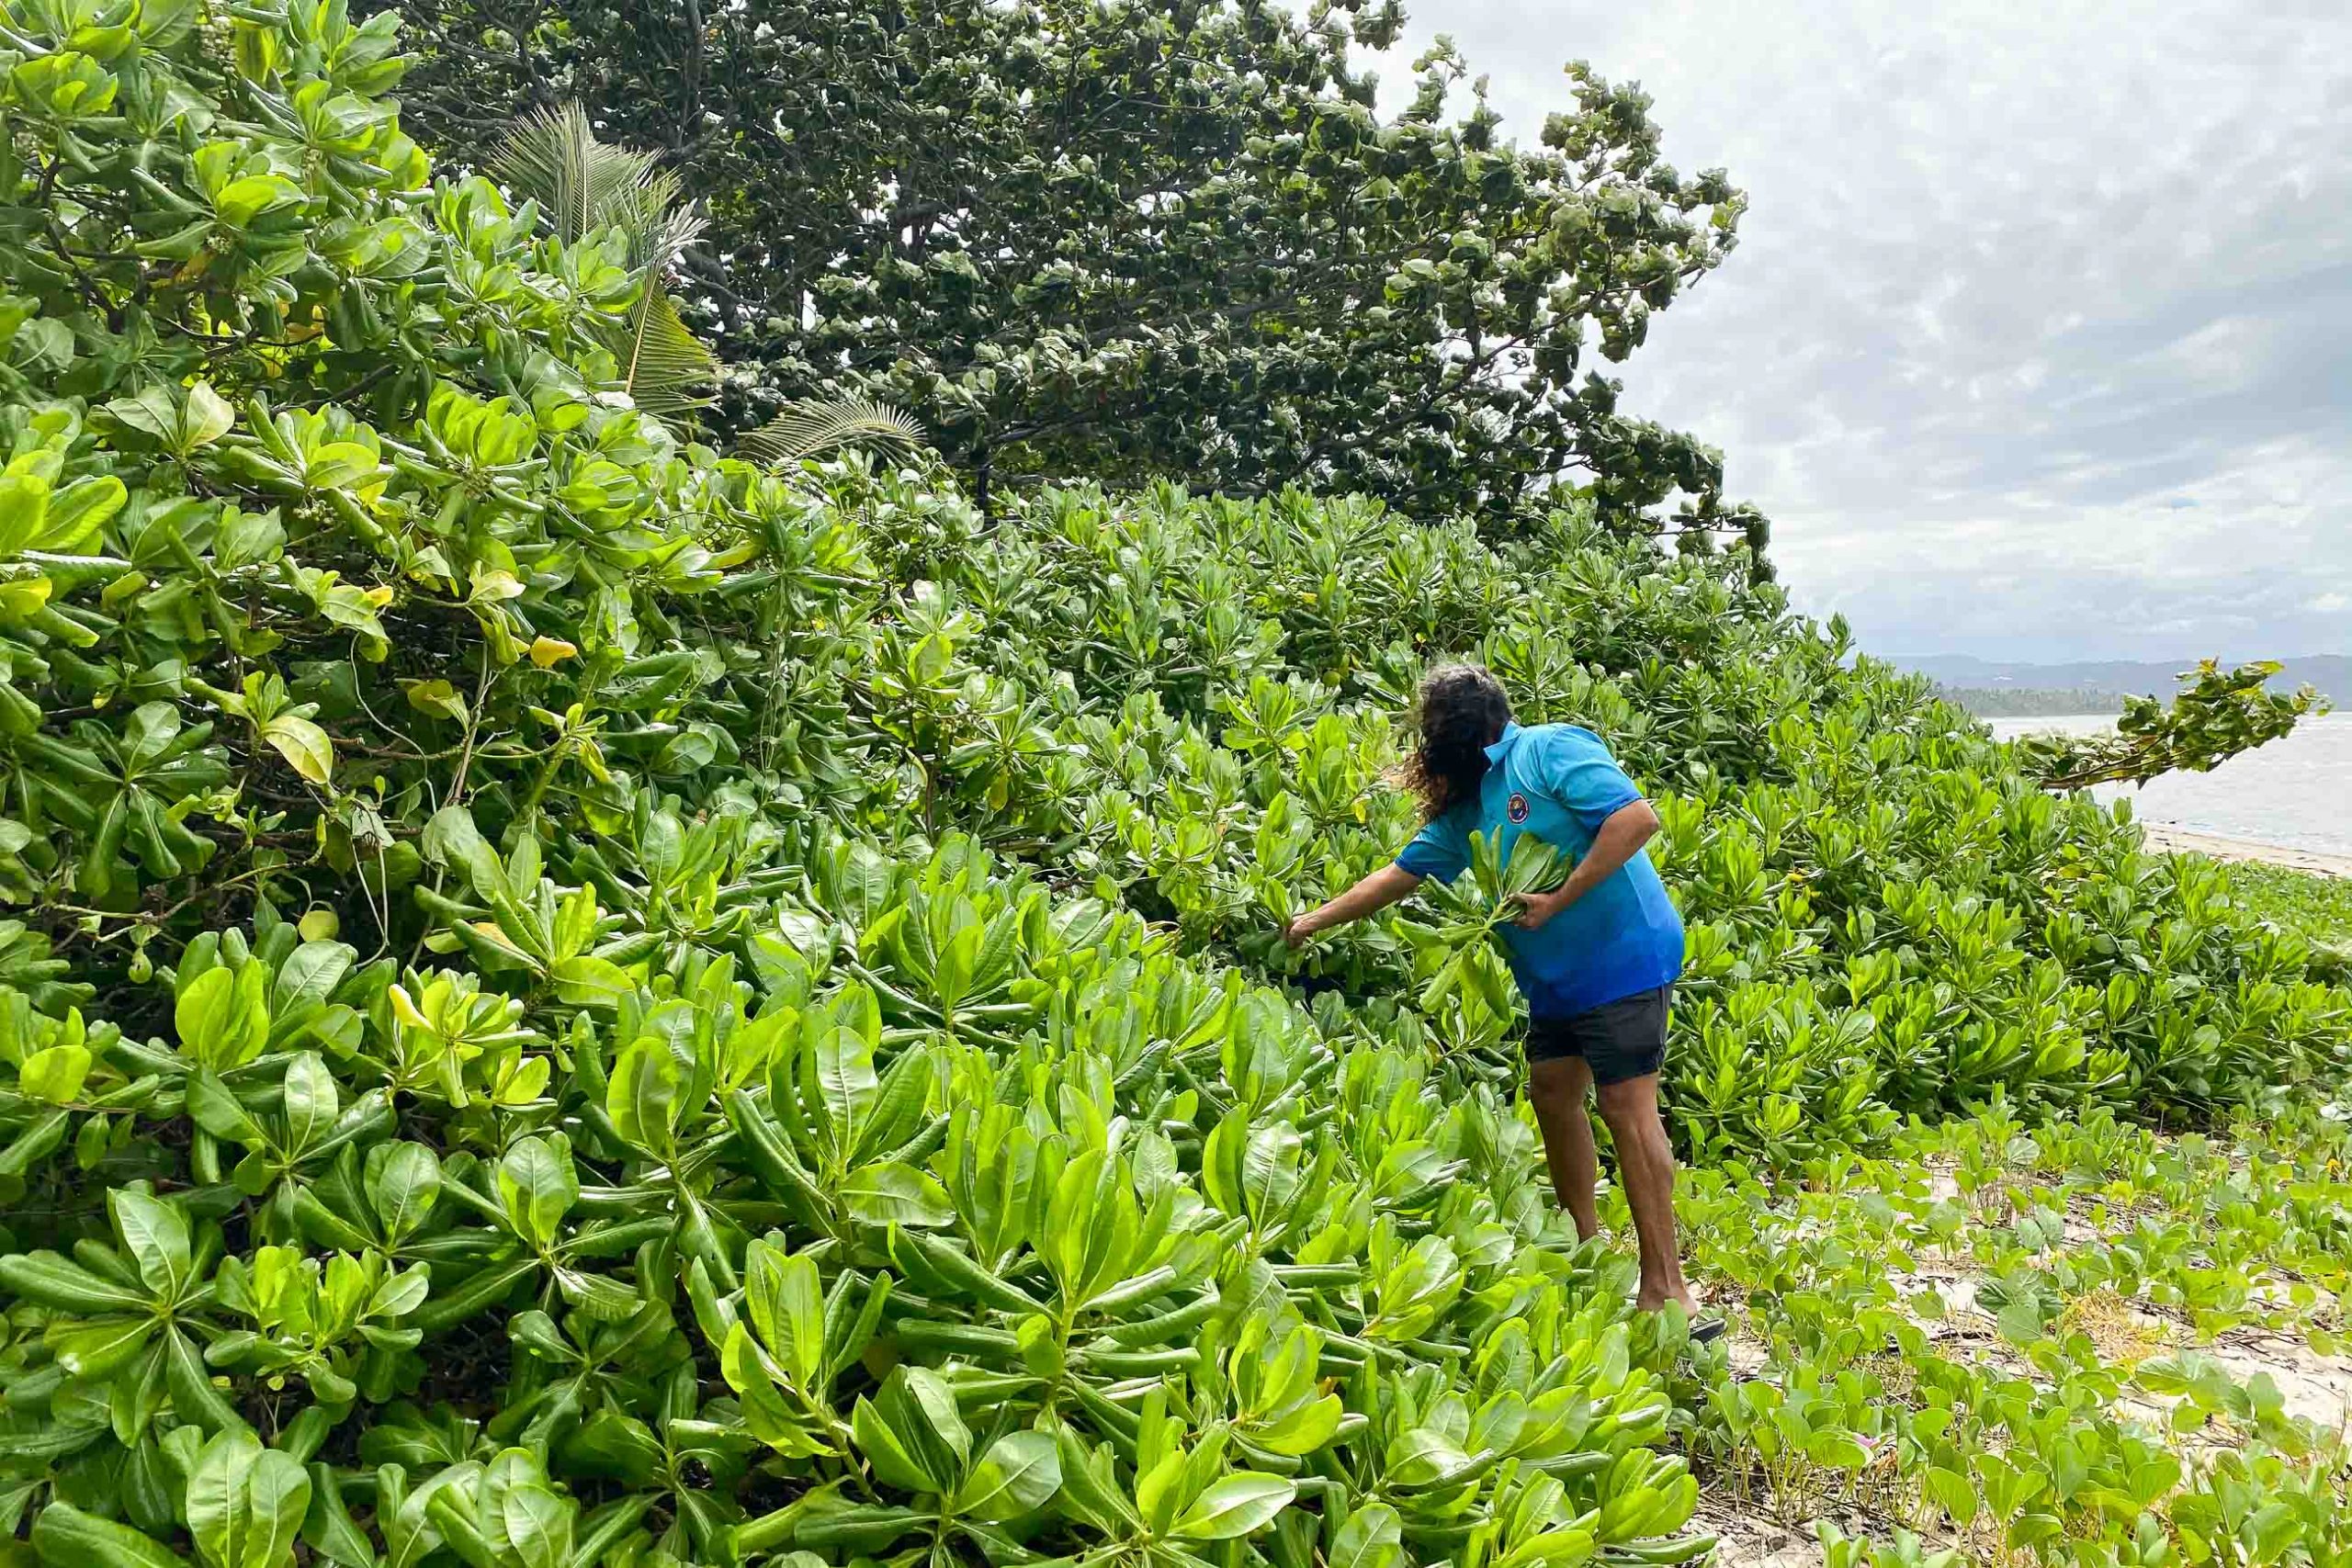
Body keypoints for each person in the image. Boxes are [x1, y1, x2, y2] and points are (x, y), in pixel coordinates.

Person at [1283, 663, 1713, 1334]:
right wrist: (1314, 920)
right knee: (1551, 1092)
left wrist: (1559, 897)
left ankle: (1668, 1288)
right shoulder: (1468, 808)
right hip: (1555, 982)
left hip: (1624, 956)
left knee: (1627, 1107)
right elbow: (1399, 874)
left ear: (1464, 732)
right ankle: (1585, 1250)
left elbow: (1635, 819)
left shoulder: (1549, 750)